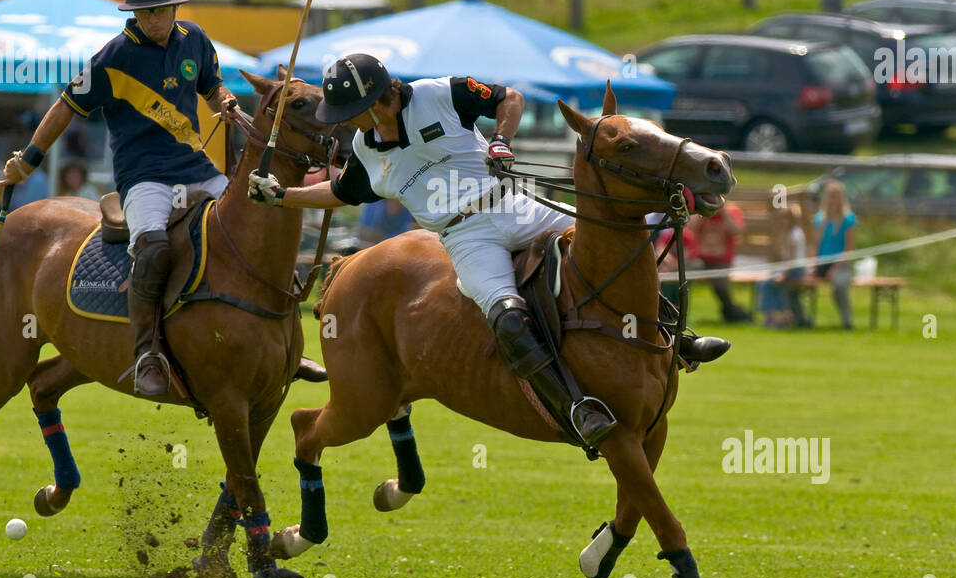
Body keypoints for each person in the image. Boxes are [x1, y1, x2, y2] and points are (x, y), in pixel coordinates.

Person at [247, 53, 730, 449]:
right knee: (507, 314)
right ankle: (576, 408)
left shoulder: (439, 92)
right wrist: (283, 196)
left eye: (347, 112)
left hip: (515, 204)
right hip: (466, 236)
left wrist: (500, 141)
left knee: (617, 244)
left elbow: (508, 97)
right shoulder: (367, 149)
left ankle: (677, 336)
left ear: (379, 99)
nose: (342, 124)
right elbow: (344, 193)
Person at [0, 0, 323, 395]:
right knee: (152, 250)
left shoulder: (196, 41)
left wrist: (225, 101)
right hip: (143, 177)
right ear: (134, 14)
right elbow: (65, 106)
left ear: (176, 8)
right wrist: (29, 159)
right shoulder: (114, 57)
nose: (156, 19)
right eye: (146, 12)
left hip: (196, 168)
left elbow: (212, 87)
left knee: (257, 221)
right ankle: (148, 353)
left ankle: (283, 341)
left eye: (163, 10)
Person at [695, 199, 752, 323]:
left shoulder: (732, 211)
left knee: (720, 285)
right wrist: (704, 211)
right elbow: (688, 229)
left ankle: (732, 312)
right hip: (700, 260)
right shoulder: (701, 212)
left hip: (721, 262)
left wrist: (723, 211)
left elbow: (737, 230)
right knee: (678, 278)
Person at [813, 180, 857, 329]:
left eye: (837, 195)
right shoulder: (819, 218)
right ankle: (802, 320)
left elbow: (848, 249)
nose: (834, 198)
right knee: (794, 282)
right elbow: (815, 245)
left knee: (839, 285)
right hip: (821, 263)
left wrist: (836, 268)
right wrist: (811, 265)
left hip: (842, 264)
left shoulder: (848, 219)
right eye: (831, 195)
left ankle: (847, 321)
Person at [757, 201, 808, 329]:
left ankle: (776, 316)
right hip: (788, 268)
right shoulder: (788, 234)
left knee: (769, 284)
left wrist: (783, 275)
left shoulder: (794, 234)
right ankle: (776, 315)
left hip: (794, 270)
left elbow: (790, 260)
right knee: (764, 283)